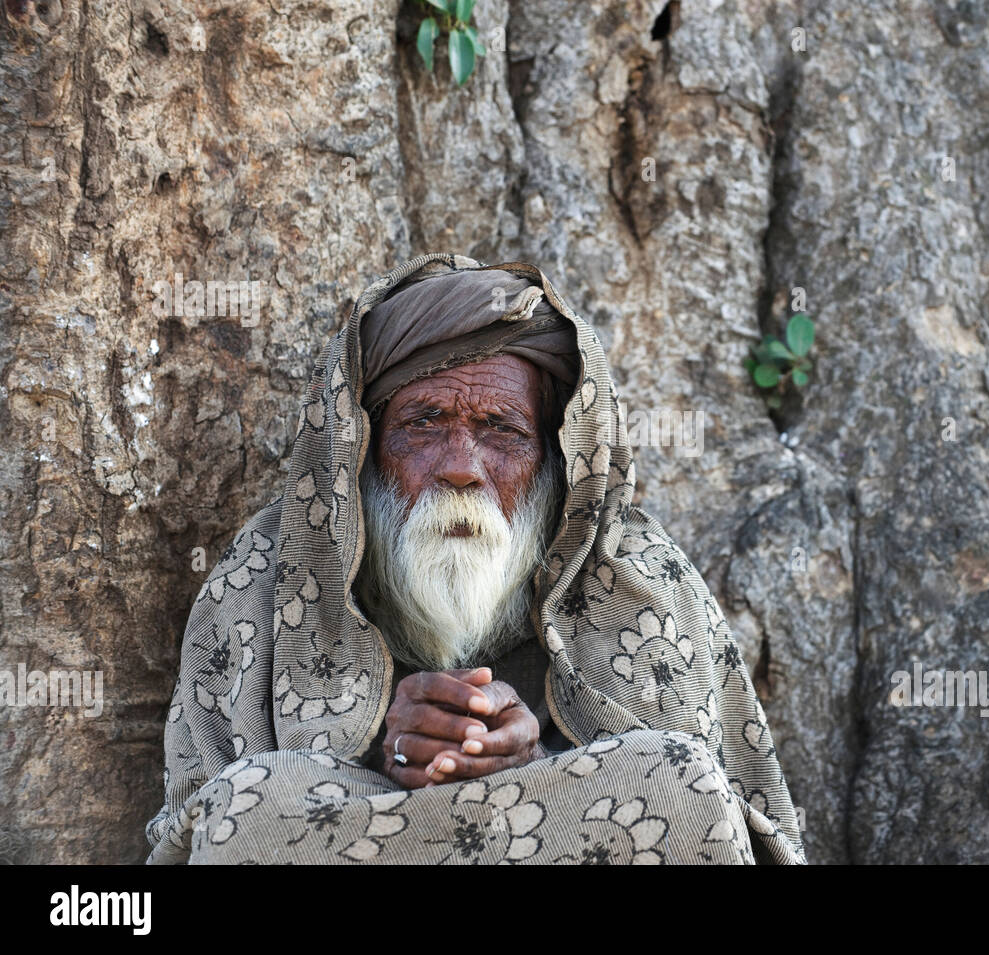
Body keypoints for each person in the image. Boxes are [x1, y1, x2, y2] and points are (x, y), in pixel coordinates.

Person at [144, 253, 805, 864]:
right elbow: (199, 824)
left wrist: (534, 762)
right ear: (363, 452)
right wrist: (384, 753)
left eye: (502, 430)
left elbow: (718, 817)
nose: (461, 468)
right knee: (259, 800)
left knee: (668, 777)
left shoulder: (639, 580)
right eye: (424, 424)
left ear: (553, 463)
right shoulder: (270, 575)